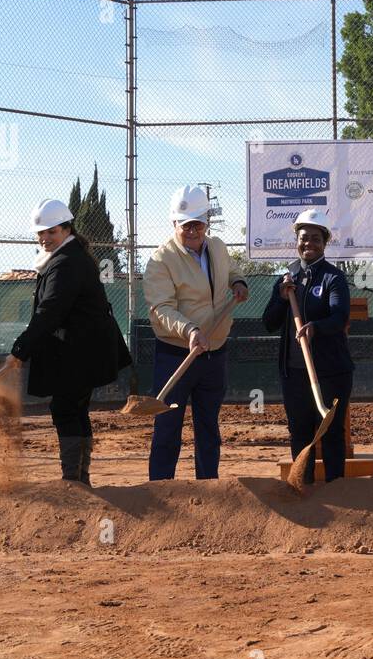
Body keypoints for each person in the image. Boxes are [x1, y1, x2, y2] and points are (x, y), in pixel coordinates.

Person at [1, 199, 132, 486]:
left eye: (52, 232)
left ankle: (72, 480)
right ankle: (79, 478)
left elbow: (49, 311)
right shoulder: (68, 257)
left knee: (65, 409)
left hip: (79, 353)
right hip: (83, 351)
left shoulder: (66, 263)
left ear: (66, 229)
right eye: (41, 233)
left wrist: (20, 349)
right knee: (75, 409)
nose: (45, 238)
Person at [144, 186, 249, 481]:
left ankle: (209, 488)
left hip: (214, 353)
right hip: (177, 355)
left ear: (206, 222)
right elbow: (161, 309)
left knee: (208, 427)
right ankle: (161, 490)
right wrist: (189, 330)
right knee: (167, 427)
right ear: (173, 223)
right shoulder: (161, 261)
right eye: (185, 224)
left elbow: (231, 269)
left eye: (197, 223)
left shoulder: (217, 247)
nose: (192, 230)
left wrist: (238, 281)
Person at [262, 208, 354, 484]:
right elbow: (269, 322)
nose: (308, 244)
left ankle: (336, 487)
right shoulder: (286, 279)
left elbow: (340, 316)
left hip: (330, 372)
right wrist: (280, 297)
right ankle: (303, 487)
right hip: (294, 372)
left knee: (332, 431)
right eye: (304, 238)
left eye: (315, 238)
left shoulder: (333, 278)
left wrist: (316, 327)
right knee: (300, 431)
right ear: (296, 240)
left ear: (325, 242)